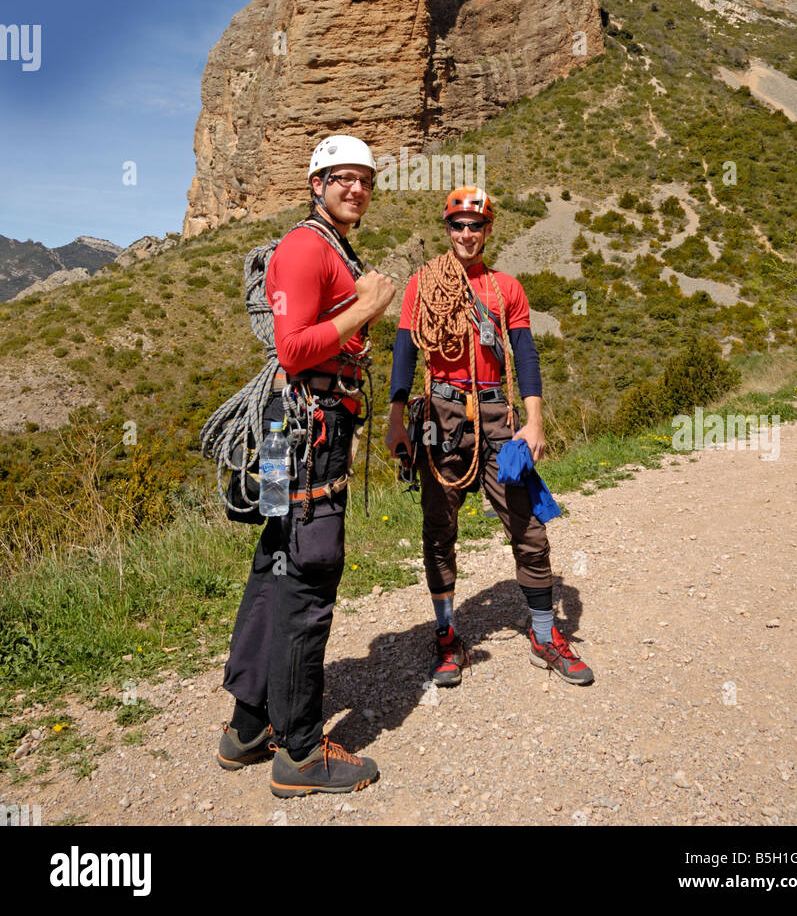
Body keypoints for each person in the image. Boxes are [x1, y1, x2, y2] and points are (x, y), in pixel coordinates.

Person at [218, 135, 395, 796]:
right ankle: (298, 751)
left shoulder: (330, 247)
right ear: (315, 182)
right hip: (303, 433)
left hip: (291, 430)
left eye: (364, 180)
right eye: (341, 177)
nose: (355, 188)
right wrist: (368, 307)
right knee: (308, 575)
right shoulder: (303, 248)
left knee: (274, 562)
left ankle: (245, 727)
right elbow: (294, 351)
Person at [385, 186, 594, 687]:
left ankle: (544, 634)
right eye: (457, 225)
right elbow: (404, 351)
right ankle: (446, 635)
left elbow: (525, 354)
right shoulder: (422, 283)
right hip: (441, 413)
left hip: (498, 415)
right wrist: (396, 418)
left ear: (488, 230)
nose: (465, 234)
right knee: (439, 529)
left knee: (528, 526)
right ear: (447, 229)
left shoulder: (506, 289)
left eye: (474, 226)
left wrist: (534, 419)